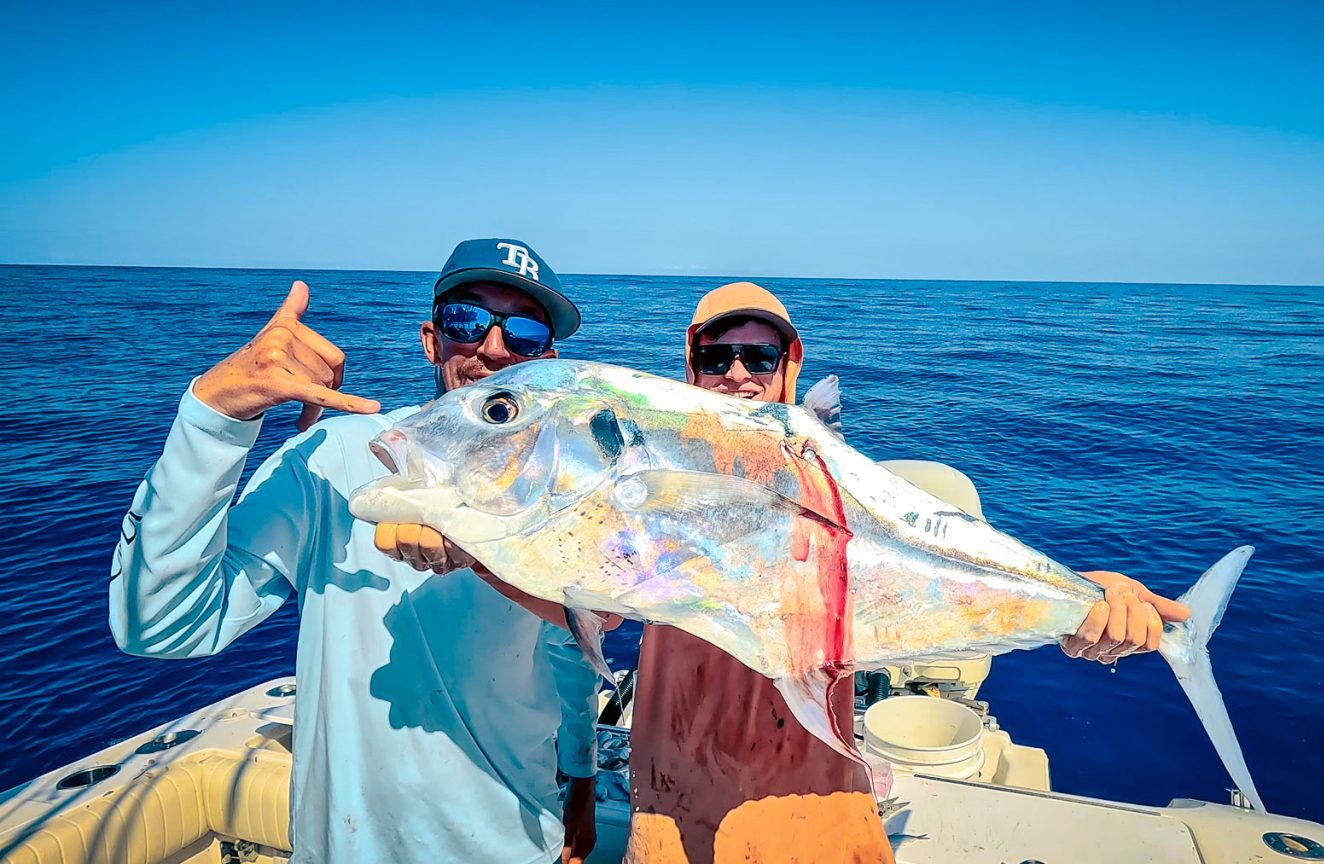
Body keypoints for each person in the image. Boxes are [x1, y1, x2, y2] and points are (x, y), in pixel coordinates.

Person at [623, 282, 1193, 863]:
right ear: (691, 367)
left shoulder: (843, 496)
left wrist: (1081, 599)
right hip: (670, 803)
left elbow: (931, 573)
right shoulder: (643, 480)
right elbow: (580, 589)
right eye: (716, 357)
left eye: (761, 357)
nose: (738, 374)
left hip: (818, 805)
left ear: (788, 369)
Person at [109, 239, 606, 864]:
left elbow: (575, 652)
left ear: (549, 361)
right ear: (432, 339)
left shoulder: (571, 492)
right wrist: (212, 419)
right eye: (467, 319)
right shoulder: (335, 457)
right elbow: (158, 624)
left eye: (527, 332)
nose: (494, 347)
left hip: (517, 844)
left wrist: (583, 783)